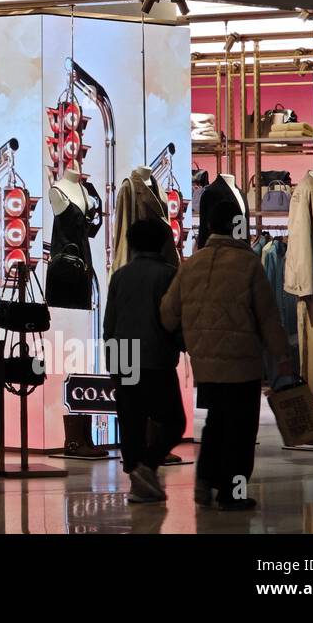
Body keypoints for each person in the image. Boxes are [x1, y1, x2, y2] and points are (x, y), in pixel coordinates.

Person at [161, 203, 291, 511]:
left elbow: (168, 314)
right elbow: (268, 317)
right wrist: (282, 357)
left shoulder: (191, 264)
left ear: (209, 227)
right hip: (242, 363)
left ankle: (205, 479)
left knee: (216, 423)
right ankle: (233, 493)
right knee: (241, 432)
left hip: (205, 363)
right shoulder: (249, 264)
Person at [103, 218, 184, 504]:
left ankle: (137, 481)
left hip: (124, 355)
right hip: (155, 355)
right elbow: (174, 319)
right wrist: (182, 345)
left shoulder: (120, 276)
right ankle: (146, 468)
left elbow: (110, 323)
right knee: (173, 421)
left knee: (131, 422)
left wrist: (112, 362)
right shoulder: (169, 275)